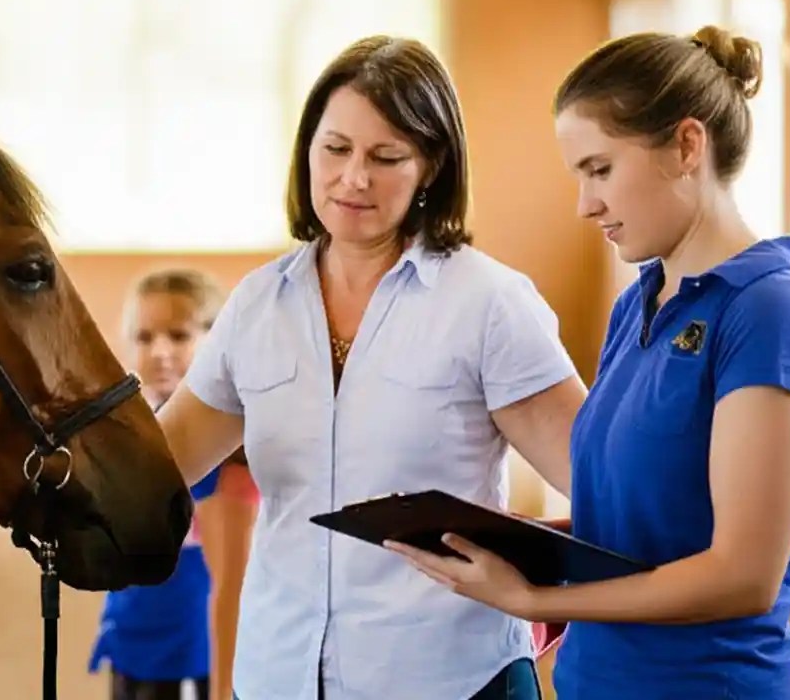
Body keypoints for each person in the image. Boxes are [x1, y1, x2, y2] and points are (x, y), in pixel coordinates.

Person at [388, 25, 790, 699]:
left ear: (687, 146)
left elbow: (744, 576)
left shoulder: (769, 312)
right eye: (579, 175)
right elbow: (649, 517)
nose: (585, 204)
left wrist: (535, 602)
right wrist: (523, 546)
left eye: (600, 170)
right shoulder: (639, 304)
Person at [157, 35, 587, 700]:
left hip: (450, 681)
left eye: (385, 157)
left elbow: (598, 480)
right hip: (278, 676)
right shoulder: (257, 306)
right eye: (335, 149)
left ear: (431, 167)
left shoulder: (489, 303)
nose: (353, 177)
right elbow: (162, 463)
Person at [88, 268, 258, 700]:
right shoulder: (130, 436)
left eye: (179, 335)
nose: (160, 351)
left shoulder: (228, 455)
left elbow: (232, 588)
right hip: (130, 639)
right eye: (144, 337)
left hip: (192, 655)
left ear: (218, 340)